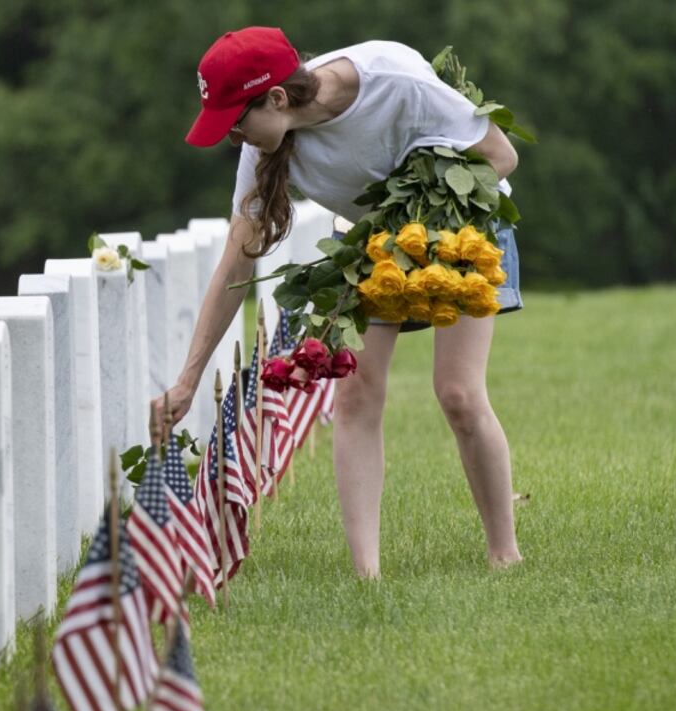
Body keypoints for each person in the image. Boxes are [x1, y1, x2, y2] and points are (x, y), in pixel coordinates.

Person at [152, 27, 523, 578]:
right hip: (372, 248)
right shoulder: (264, 149)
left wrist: (412, 222)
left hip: (460, 231)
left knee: (459, 393)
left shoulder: (392, 81)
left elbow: (501, 155)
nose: (235, 139)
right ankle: (366, 576)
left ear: (276, 98)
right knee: (354, 395)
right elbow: (238, 258)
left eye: (236, 122)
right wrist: (187, 379)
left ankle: (504, 555)